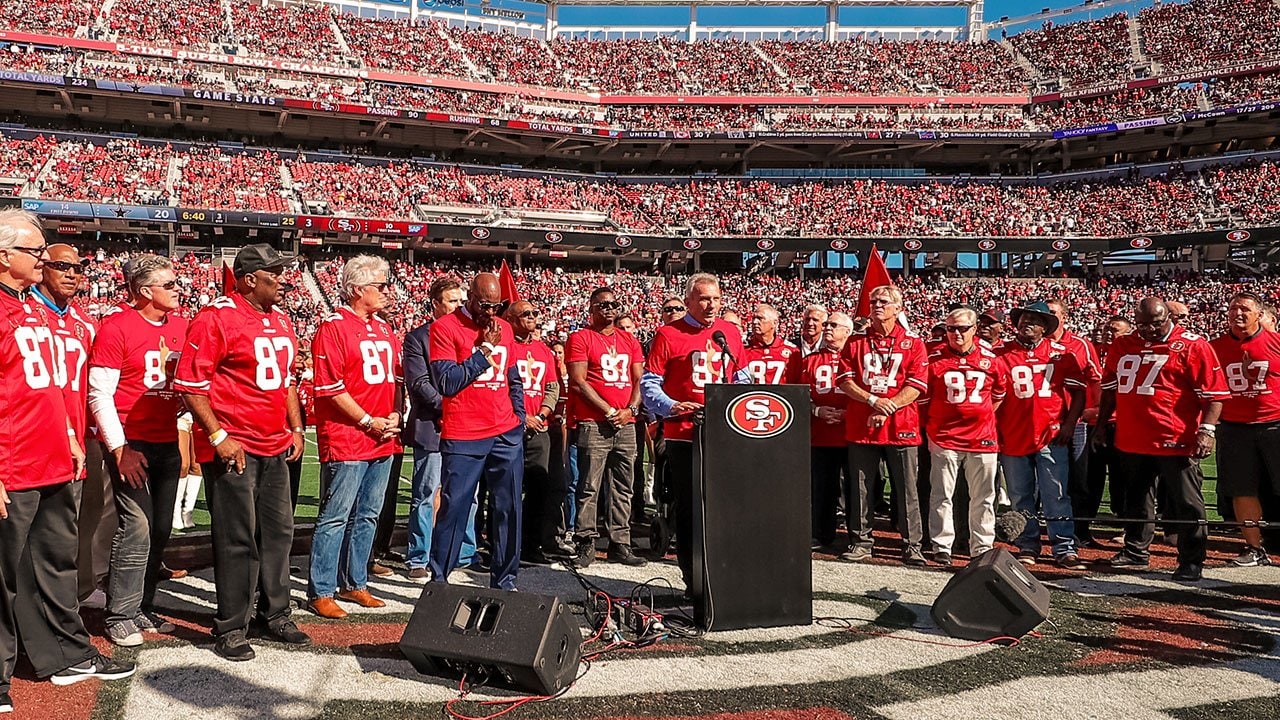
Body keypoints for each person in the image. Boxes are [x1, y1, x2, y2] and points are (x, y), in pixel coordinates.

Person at [0, 210, 133, 713]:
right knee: (3, 573)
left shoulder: (39, 312)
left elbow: (52, 390)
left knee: (55, 563)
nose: (42, 258)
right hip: (12, 464)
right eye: (33, 252)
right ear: (3, 256)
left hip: (55, 456)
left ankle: (63, 654)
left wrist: (72, 437)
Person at [174, 244, 309, 661]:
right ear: (250, 279)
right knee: (236, 538)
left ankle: (275, 611)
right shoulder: (216, 317)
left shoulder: (282, 320)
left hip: (275, 443)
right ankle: (232, 625)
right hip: (236, 447)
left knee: (278, 533)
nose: (283, 281)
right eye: (274, 275)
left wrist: (296, 426)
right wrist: (218, 437)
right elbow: (190, 385)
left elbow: (286, 381)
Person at [88, 253, 188, 646]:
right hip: (133, 441)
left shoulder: (181, 326)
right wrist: (120, 448)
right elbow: (100, 393)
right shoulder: (117, 327)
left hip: (166, 438)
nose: (179, 290)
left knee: (160, 528)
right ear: (145, 291)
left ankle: (143, 604)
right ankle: (120, 613)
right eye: (170, 284)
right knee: (137, 527)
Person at [1097, 297, 1228, 581]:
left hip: (1175, 437)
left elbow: (1215, 395)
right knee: (1137, 498)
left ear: (1168, 317)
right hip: (1132, 436)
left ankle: (1191, 559)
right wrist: (1100, 425)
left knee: (1186, 502)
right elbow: (1109, 390)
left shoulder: (1193, 345)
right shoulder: (1123, 344)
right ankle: (1135, 550)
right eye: (1141, 324)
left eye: (1155, 324)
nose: (1147, 330)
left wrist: (1206, 430)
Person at [307, 256, 402, 619]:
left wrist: (394, 414)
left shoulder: (384, 328)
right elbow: (331, 387)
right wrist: (367, 420)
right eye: (380, 286)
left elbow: (395, 380)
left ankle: (355, 581)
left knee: (368, 515)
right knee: (336, 516)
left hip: (383, 436)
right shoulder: (333, 327)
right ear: (358, 288)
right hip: (349, 435)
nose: (386, 292)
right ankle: (322, 588)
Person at [642, 273, 748, 589]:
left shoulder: (729, 333)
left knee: (724, 508)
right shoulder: (668, 334)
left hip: (723, 435)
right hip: (683, 435)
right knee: (689, 510)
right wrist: (672, 406)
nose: (711, 305)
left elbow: (742, 377)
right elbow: (649, 385)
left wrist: (735, 403)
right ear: (688, 301)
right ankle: (693, 579)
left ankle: (724, 574)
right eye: (703, 298)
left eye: (715, 298)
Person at [427, 273, 525, 591]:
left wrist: (518, 417)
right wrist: (483, 352)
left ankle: (505, 580)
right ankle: (440, 578)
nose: (492, 313)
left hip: (505, 431)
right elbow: (447, 382)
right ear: (470, 296)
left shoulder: (505, 328)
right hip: (464, 431)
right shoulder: (445, 328)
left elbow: (512, 378)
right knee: (455, 508)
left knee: (508, 507)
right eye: (485, 305)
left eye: (498, 306)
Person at [836, 285, 929, 565]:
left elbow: (917, 385)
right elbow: (844, 380)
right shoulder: (855, 342)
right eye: (874, 301)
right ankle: (861, 541)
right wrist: (873, 400)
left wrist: (888, 406)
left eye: (884, 301)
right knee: (861, 487)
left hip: (902, 426)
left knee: (907, 488)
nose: (877, 305)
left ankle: (912, 544)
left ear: (898, 308)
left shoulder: (914, 343)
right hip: (862, 426)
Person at [995, 301, 1087, 569]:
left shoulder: (1061, 354)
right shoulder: (1001, 353)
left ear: (1046, 327)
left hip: (1050, 433)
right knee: (1020, 495)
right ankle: (1028, 543)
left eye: (1034, 320)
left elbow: (1079, 391)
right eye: (1024, 318)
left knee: (1055, 494)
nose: (1027, 324)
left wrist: (1070, 423)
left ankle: (1064, 547)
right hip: (1013, 434)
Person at [569, 288, 647, 567]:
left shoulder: (630, 340)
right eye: (603, 305)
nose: (609, 309)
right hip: (594, 422)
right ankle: (586, 541)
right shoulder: (581, 337)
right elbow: (578, 380)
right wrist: (609, 410)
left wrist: (630, 410)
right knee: (589, 485)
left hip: (626, 422)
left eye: (614, 304)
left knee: (623, 486)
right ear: (591, 308)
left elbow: (639, 379)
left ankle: (620, 543)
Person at [921, 308, 1005, 566]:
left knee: (983, 496)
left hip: (983, 438)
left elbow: (999, 395)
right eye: (951, 328)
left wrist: (979, 416)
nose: (956, 333)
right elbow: (924, 399)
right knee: (941, 494)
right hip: (944, 436)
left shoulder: (992, 359)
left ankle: (981, 545)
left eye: (962, 328)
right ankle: (942, 544)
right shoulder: (934, 359)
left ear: (974, 329)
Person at [1210, 292, 1280, 567]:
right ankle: (1254, 548)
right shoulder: (1213, 347)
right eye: (1233, 308)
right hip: (1234, 426)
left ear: (1258, 314)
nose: (1237, 313)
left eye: (1244, 309)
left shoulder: (1275, 342)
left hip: (1275, 423)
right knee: (1242, 489)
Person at [401, 276, 462, 581]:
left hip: (466, 427)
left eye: (460, 301)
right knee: (427, 492)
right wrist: (452, 408)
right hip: (433, 425)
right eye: (452, 301)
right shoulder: (417, 338)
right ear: (435, 304)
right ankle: (418, 556)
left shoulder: (468, 335)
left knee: (467, 495)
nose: (458, 306)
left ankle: (463, 551)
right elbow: (419, 384)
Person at [787, 311, 852, 553]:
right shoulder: (810, 360)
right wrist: (817, 411)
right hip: (820, 433)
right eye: (827, 324)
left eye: (834, 325)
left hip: (851, 432)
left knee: (856, 490)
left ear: (847, 331)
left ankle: (857, 537)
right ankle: (821, 534)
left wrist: (848, 414)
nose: (827, 328)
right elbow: (800, 396)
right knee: (822, 488)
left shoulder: (856, 357)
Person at [506, 299, 564, 565]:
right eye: (525, 314)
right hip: (509, 427)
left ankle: (531, 545)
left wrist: (541, 414)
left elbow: (552, 387)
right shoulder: (504, 347)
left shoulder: (543, 350)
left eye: (534, 313)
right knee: (507, 490)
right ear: (512, 318)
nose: (532, 318)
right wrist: (521, 417)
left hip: (538, 429)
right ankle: (505, 547)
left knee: (538, 489)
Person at [744, 303, 798, 384]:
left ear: (774, 323)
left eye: (760, 318)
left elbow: (796, 385)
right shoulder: (744, 350)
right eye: (754, 318)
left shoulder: (792, 351)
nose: (755, 322)